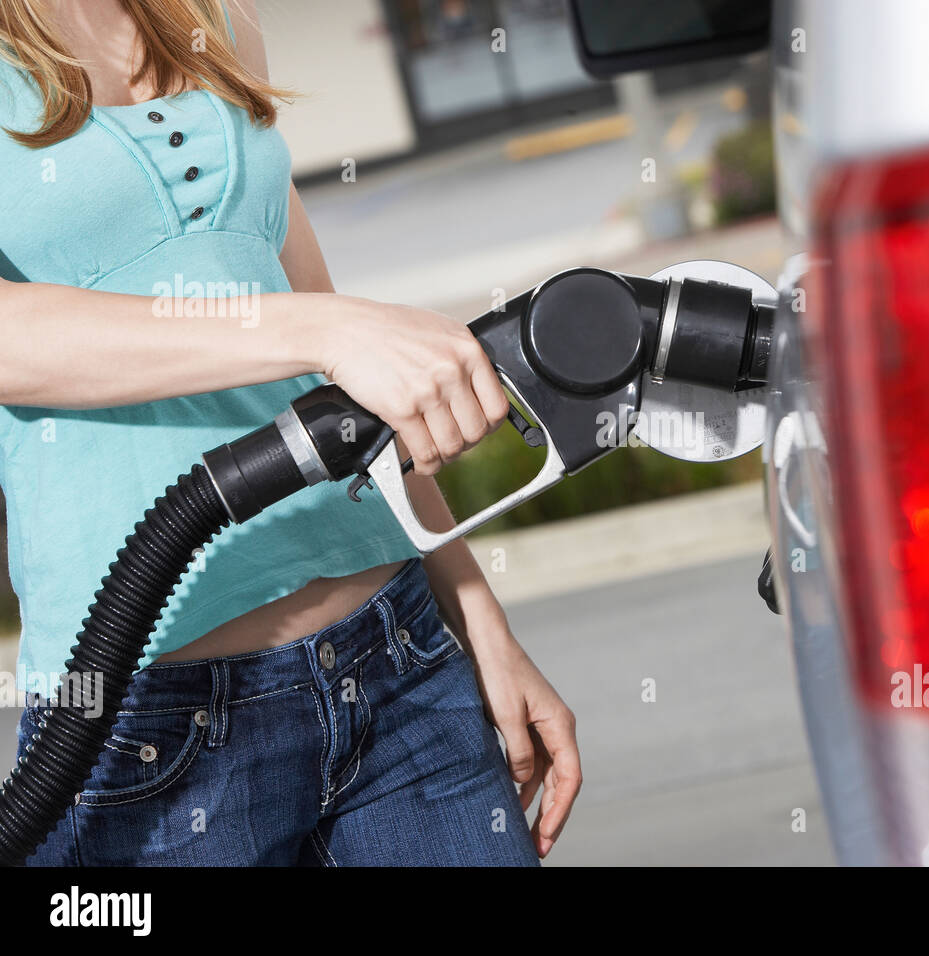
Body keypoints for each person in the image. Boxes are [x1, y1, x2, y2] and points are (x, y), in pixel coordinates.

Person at [0, 0, 580, 865]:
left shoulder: (208, 18)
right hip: (137, 718)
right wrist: (321, 330)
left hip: (395, 661)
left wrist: (475, 615)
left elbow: (339, 367)